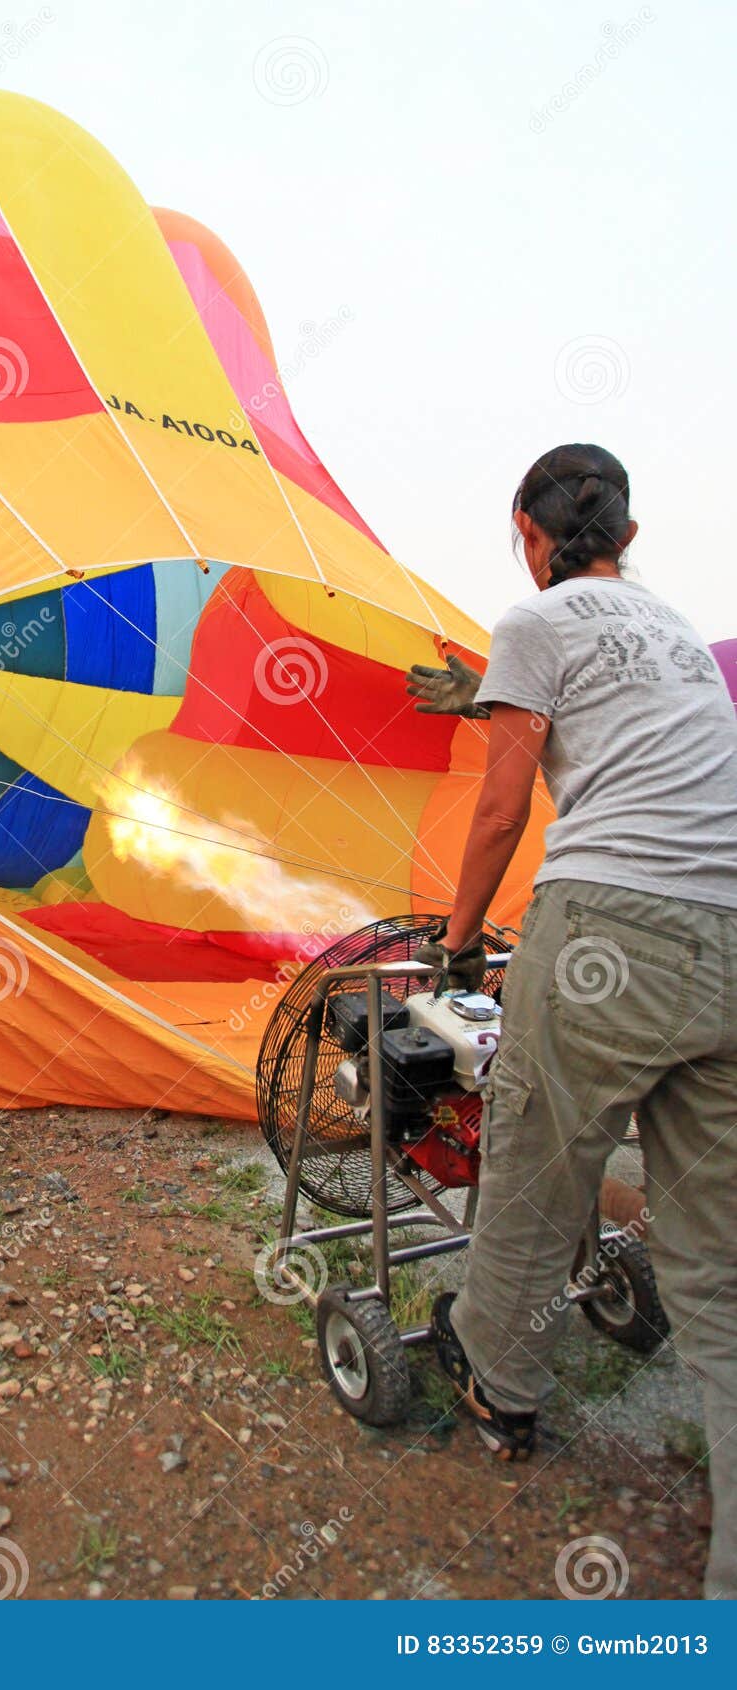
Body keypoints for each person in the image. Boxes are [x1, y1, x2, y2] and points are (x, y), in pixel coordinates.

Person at [407, 444, 737, 1600]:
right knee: (723, 1258)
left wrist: (457, 942)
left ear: (525, 531)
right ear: (629, 537)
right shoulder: (684, 633)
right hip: (732, 940)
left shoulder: (535, 621)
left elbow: (504, 803)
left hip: (609, 926)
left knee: (541, 1160)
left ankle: (498, 1385)